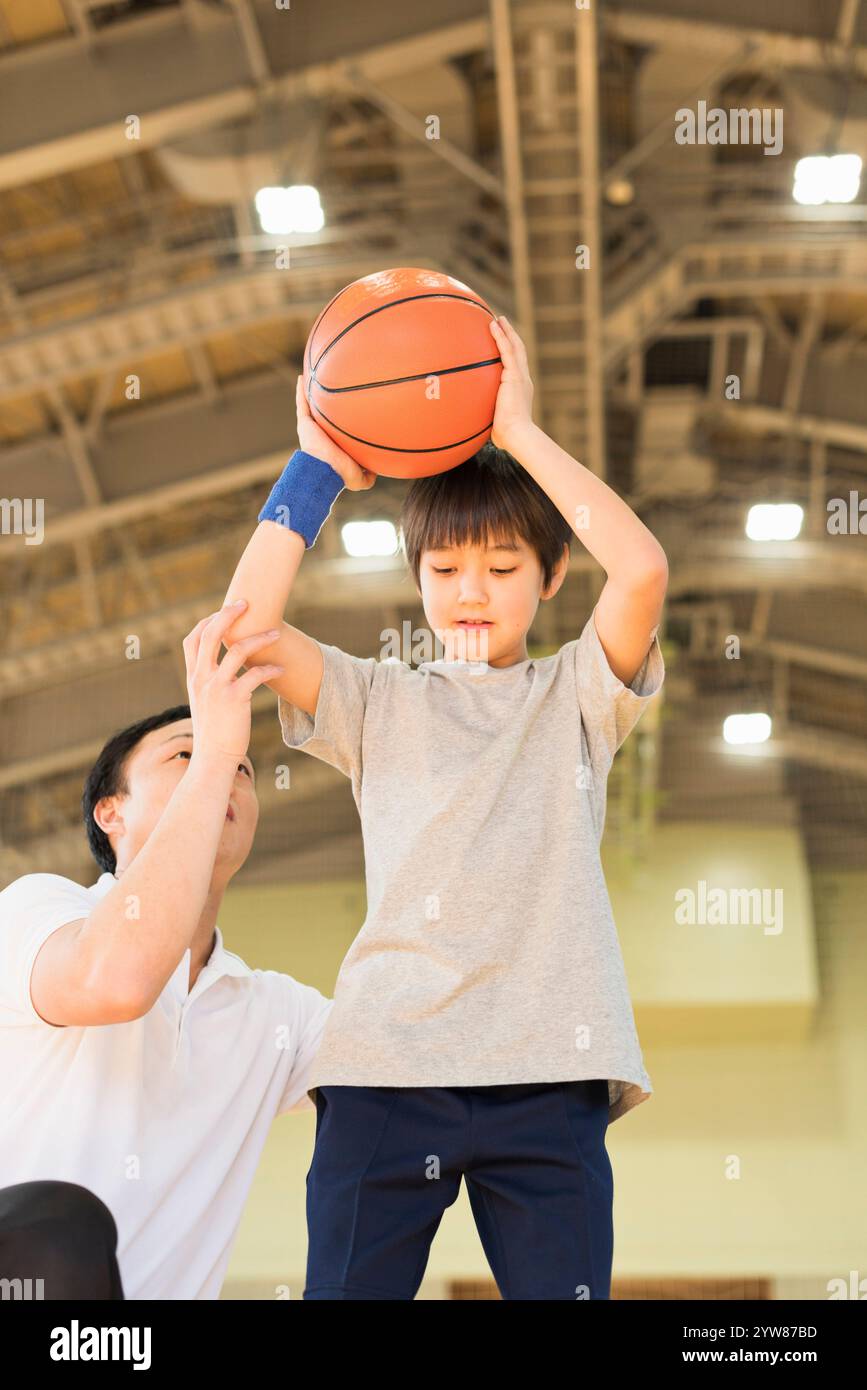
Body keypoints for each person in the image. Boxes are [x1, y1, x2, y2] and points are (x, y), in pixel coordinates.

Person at [220, 313, 668, 1300]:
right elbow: (241, 631)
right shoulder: (377, 698)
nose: (472, 592)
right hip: (386, 1064)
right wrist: (315, 467)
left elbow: (640, 569)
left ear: (551, 577)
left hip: (550, 1069)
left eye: (504, 569)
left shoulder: (577, 698)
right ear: (415, 577)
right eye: (445, 569)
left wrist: (519, 434)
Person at [0, 605, 333, 1299]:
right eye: (187, 753)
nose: (227, 770)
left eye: (243, 767)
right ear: (110, 812)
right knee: (62, 1225)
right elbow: (114, 981)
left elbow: (423, 1055)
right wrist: (216, 752)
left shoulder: (277, 1014)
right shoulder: (39, 910)